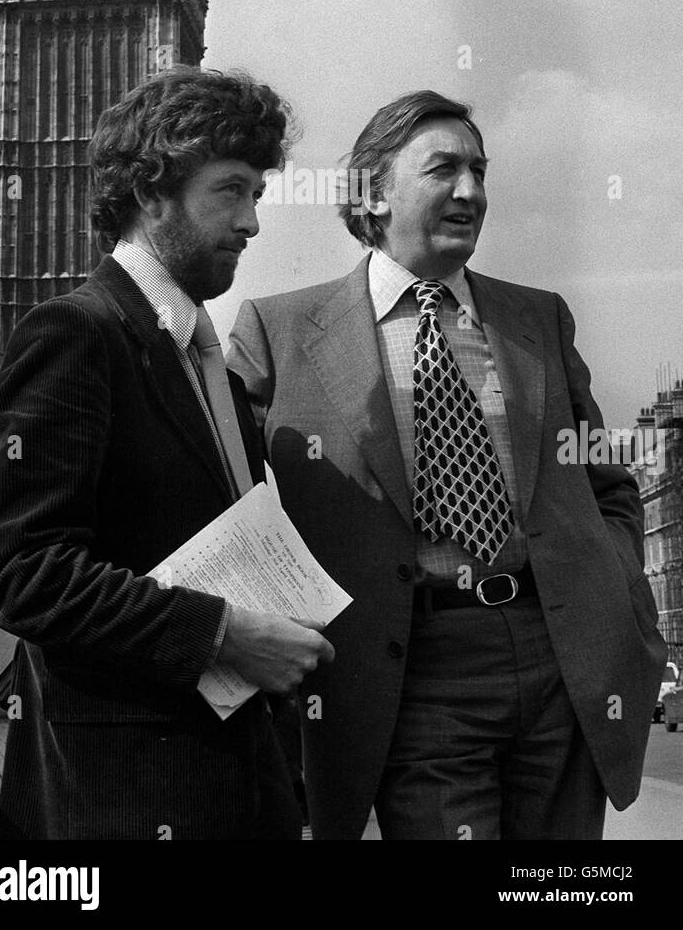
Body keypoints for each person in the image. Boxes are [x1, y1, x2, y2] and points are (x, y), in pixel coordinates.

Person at [228, 89, 667, 841]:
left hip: (560, 656)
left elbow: (603, 478)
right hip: (408, 670)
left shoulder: (537, 317)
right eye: (443, 170)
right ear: (374, 192)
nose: (470, 192)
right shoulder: (279, 330)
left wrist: (620, 588)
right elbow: (230, 501)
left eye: (479, 171)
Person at [0, 66, 333, 841]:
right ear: (150, 191)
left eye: (256, 196)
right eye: (230, 191)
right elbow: (19, 572)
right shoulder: (77, 335)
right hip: (122, 798)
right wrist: (221, 634)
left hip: (238, 786)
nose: (251, 222)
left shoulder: (211, 367)